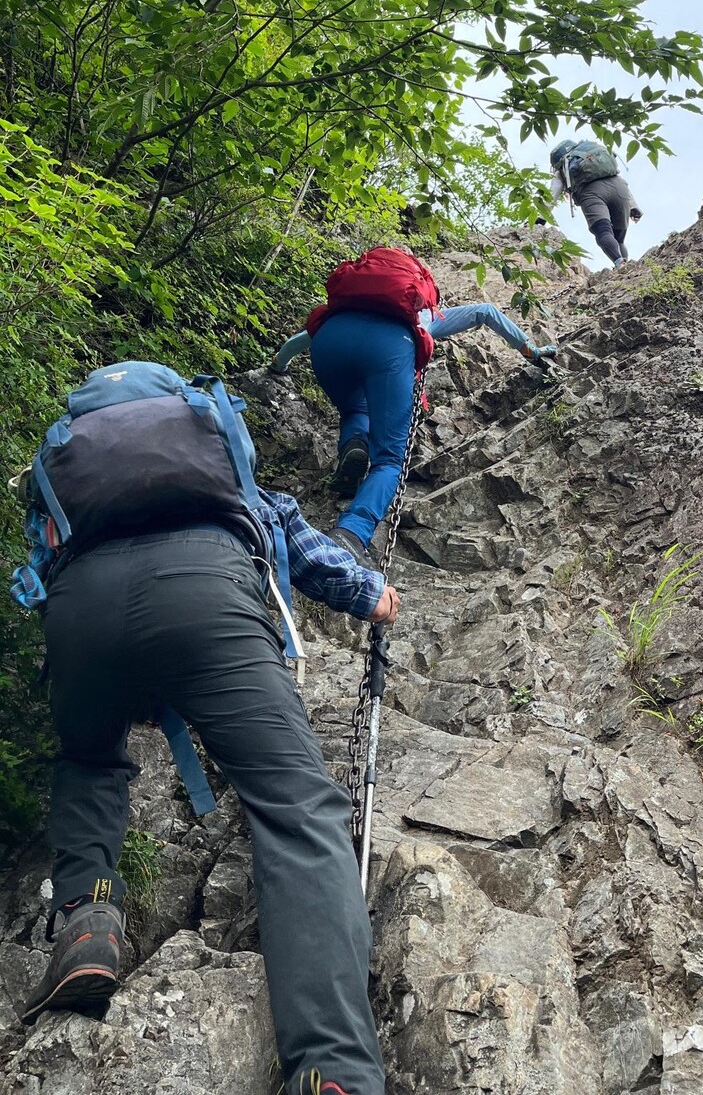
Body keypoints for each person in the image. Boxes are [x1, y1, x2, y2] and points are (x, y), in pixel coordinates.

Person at [19, 476, 397, 1095]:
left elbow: (40, 564)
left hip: (81, 607)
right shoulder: (217, 460)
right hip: (207, 593)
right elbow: (303, 553)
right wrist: (375, 595)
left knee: (89, 761)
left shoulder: (73, 482)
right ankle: (336, 1070)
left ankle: (87, 921)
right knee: (297, 807)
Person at [270, 293, 556, 561]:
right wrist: (531, 351)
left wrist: (278, 365)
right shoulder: (420, 314)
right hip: (391, 346)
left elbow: (299, 341)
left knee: (355, 408)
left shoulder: (348, 307)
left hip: (330, 342)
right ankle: (351, 532)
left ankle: (354, 444)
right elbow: (485, 311)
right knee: (389, 460)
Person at [549, 138, 643, 267]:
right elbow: (619, 178)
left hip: (591, 193)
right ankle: (628, 267)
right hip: (620, 189)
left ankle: (620, 264)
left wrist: (540, 219)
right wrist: (634, 206)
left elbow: (553, 193)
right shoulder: (593, 153)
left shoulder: (564, 166)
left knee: (603, 231)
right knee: (619, 239)